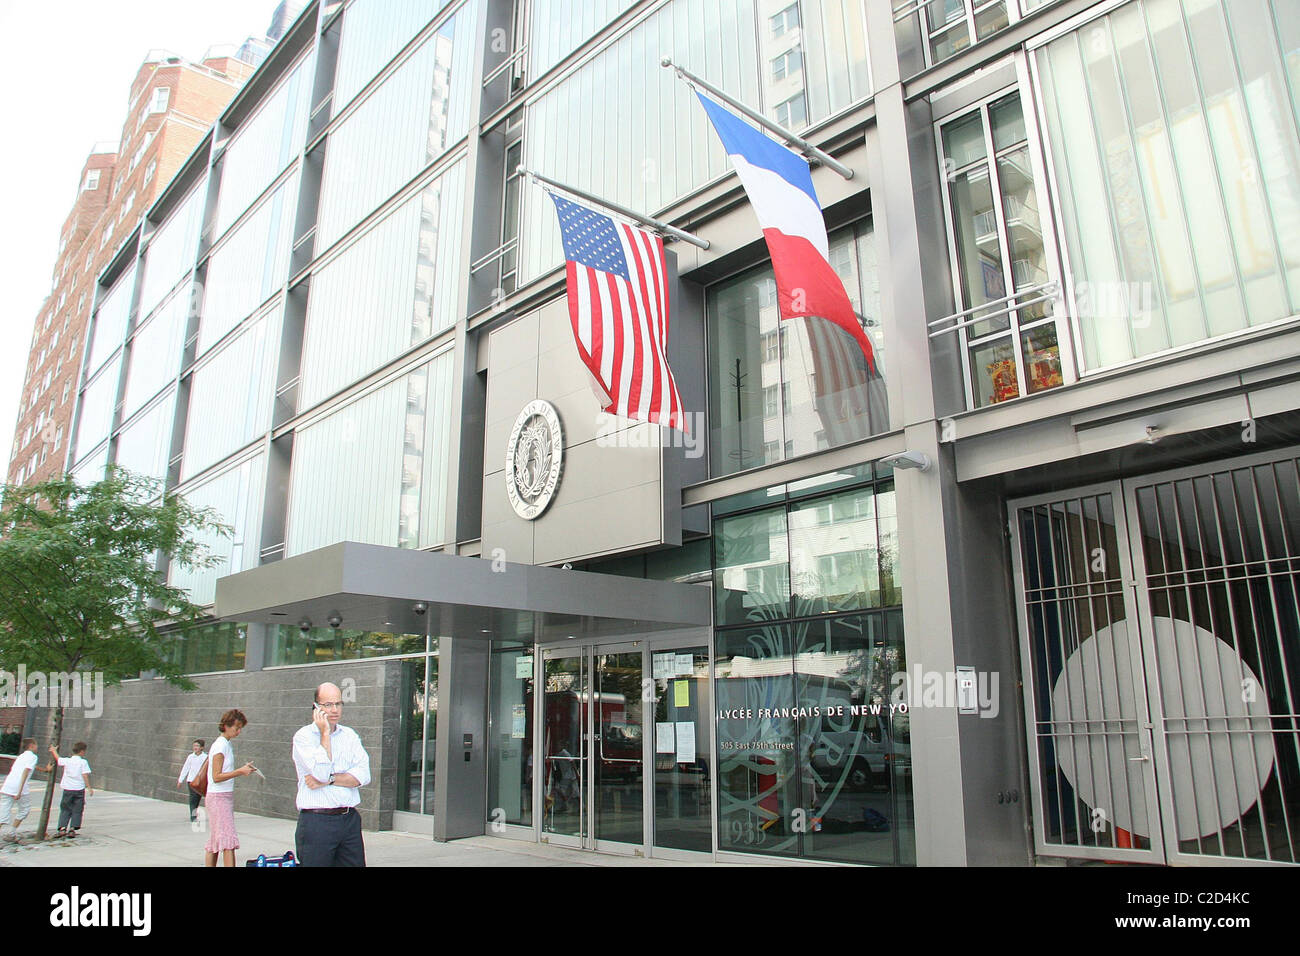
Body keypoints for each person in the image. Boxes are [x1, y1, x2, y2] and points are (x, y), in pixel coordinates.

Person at [291, 682, 371, 866]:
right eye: (328, 705)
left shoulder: (350, 736)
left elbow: (364, 775)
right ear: (316, 707)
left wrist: (330, 780)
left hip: (348, 820)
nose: (334, 710)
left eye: (338, 704)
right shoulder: (303, 737)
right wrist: (325, 733)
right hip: (317, 822)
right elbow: (320, 773)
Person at [204, 710, 255, 867]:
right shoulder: (220, 745)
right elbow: (216, 776)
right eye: (236, 727)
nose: (238, 731)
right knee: (227, 840)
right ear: (226, 726)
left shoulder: (225, 744)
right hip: (219, 797)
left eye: (240, 728)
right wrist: (240, 771)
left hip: (220, 796)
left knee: (217, 839)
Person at [0, 739, 48, 841]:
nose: (37, 747)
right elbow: (26, 771)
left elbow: (32, 767)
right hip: (19, 787)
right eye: (36, 745)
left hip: (7, 785)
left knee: (3, 812)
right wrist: (19, 791)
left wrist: (45, 770)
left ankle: (11, 833)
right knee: (24, 809)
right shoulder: (33, 757)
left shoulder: (21, 756)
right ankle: (11, 833)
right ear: (31, 746)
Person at [49, 742, 93, 837]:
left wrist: (53, 751)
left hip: (68, 788)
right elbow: (85, 775)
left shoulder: (67, 761)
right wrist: (89, 787)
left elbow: (58, 759)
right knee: (77, 809)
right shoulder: (83, 762)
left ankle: (62, 828)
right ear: (82, 751)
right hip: (79, 789)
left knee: (65, 808)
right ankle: (73, 828)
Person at [176, 739, 207, 822]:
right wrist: (180, 780)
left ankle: (194, 812)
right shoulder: (190, 757)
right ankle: (193, 816)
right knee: (193, 798)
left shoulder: (205, 757)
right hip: (191, 781)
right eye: (194, 746)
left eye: (197, 746)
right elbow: (185, 768)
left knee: (197, 798)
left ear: (202, 748)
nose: (195, 747)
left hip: (200, 782)